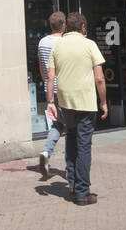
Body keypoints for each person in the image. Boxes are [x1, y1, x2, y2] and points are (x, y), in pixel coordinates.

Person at [46, 12, 107, 206]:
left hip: (65, 101)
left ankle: (72, 185)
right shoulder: (89, 45)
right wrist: (104, 102)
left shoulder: (58, 46)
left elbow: (50, 77)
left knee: (71, 139)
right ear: (82, 27)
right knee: (84, 145)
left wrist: (50, 102)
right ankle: (82, 192)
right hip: (86, 102)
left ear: (67, 27)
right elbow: (99, 77)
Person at [36, 11, 66, 178]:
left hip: (51, 89)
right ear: (63, 25)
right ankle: (72, 168)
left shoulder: (42, 42)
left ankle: (46, 152)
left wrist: (47, 84)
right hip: (64, 89)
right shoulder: (63, 42)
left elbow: (42, 67)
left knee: (57, 125)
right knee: (71, 128)